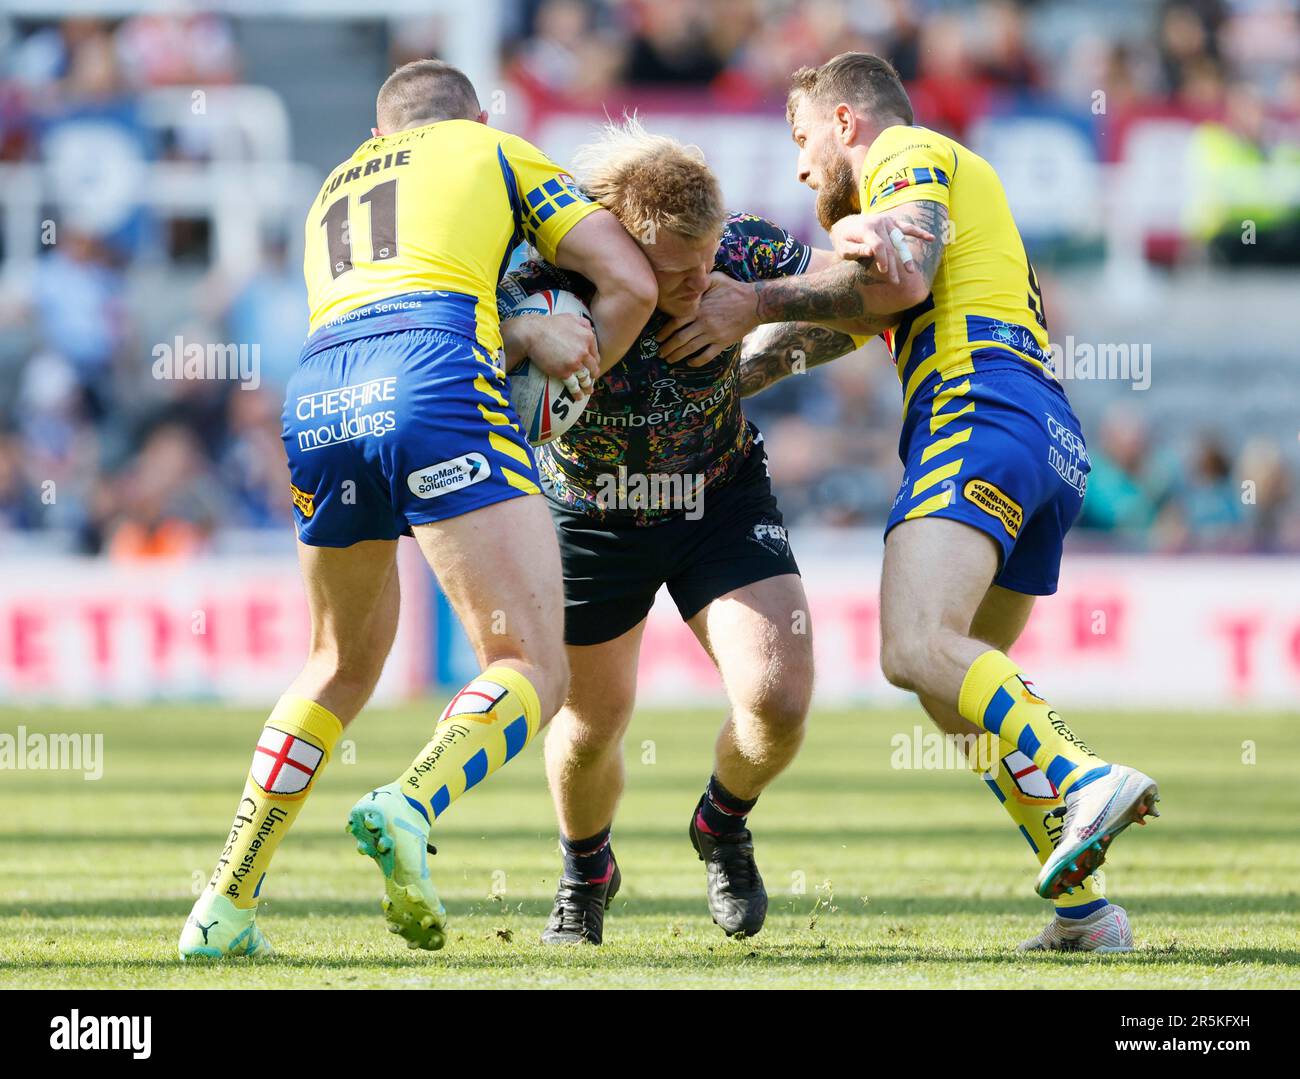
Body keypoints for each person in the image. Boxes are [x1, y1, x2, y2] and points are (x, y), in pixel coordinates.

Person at [666, 52, 1160, 952]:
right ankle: (1086, 913)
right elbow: (839, 321)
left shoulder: (905, 150)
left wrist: (755, 298)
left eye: (804, 139)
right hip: (1041, 432)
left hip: (975, 407)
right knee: (955, 696)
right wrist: (718, 373)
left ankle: (1082, 772)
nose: (804, 167)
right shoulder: (924, 195)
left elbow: (899, 278)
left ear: (848, 119)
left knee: (911, 645)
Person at [178, 59, 657, 959]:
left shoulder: (332, 186)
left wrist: (506, 328)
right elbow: (631, 282)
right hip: (436, 382)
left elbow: (395, 294)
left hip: (319, 392)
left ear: (376, 137)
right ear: (475, 116)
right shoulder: (496, 149)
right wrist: (570, 388)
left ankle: (224, 904)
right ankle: (411, 800)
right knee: (532, 665)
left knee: (335, 662)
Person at [496, 118, 866, 943]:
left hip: (719, 495)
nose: (700, 282)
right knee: (590, 728)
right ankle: (585, 870)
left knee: (778, 699)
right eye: (675, 271)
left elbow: (866, 301)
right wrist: (524, 332)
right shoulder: (550, 274)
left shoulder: (743, 252)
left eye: (707, 263)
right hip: (591, 513)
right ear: (621, 245)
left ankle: (721, 824)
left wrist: (761, 323)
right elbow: (477, 341)